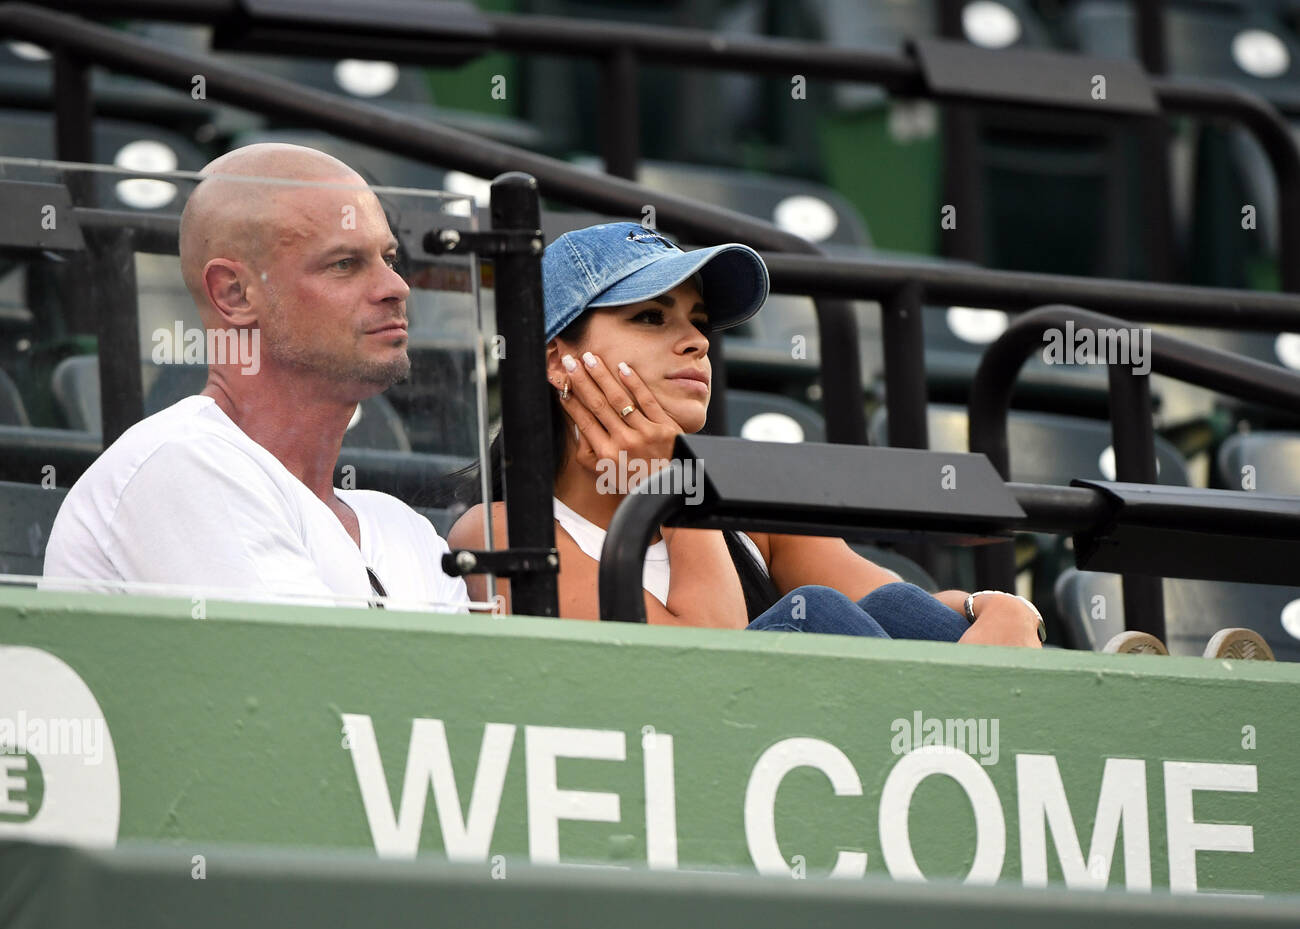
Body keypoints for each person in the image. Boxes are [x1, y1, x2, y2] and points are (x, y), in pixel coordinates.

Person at [448, 222, 1044, 646]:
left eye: (698, 322)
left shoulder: (753, 514)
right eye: (651, 316)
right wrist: (669, 483)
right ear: (557, 360)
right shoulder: (502, 532)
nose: (696, 342)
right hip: (685, 786)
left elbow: (892, 608)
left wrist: (997, 606)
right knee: (814, 618)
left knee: (888, 606)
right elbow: (720, 668)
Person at [43, 143, 468, 612]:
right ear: (234, 294)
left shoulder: (402, 527)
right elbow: (313, 680)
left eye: (389, 258)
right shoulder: (182, 464)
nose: (396, 287)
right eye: (344, 264)